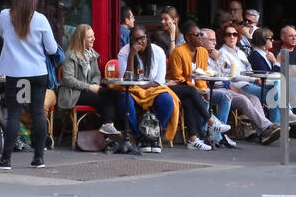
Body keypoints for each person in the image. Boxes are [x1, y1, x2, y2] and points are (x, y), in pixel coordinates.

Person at [0, 0, 59, 170]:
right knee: (38, 112)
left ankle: (6, 159)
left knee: (14, 113)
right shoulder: (41, 19)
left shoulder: (5, 15)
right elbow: (52, 48)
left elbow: (2, 34)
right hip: (37, 73)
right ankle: (39, 158)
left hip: (16, 74)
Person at [164, 20, 231, 150]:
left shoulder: (203, 52)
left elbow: (203, 75)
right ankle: (211, 123)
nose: (201, 37)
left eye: (201, 34)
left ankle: (193, 139)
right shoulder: (178, 52)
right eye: (196, 35)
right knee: (190, 92)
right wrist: (198, 90)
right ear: (187, 37)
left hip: (194, 91)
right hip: (174, 87)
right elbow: (178, 78)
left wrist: (203, 90)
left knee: (191, 99)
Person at [214, 24, 281, 144]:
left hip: (246, 84)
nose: (232, 37)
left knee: (255, 99)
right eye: (228, 35)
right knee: (273, 93)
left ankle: (263, 133)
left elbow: (249, 69)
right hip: (236, 86)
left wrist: (254, 77)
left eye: (235, 34)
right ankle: (269, 126)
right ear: (223, 37)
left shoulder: (240, 52)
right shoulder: (222, 53)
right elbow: (232, 76)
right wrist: (253, 79)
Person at [116, 28, 180, 152]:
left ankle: (154, 136)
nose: (140, 42)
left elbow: (159, 81)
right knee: (124, 99)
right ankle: (140, 136)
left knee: (167, 100)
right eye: (136, 39)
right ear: (131, 40)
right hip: (132, 89)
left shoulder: (158, 52)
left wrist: (140, 87)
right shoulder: (124, 52)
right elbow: (126, 80)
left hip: (153, 88)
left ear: (147, 38)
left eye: (142, 38)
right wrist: (131, 56)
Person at [58, 23, 122, 137]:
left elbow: (97, 74)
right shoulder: (70, 55)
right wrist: (90, 87)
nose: (94, 39)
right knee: (103, 100)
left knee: (114, 94)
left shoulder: (91, 54)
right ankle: (107, 126)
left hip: (88, 89)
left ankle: (109, 126)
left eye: (93, 36)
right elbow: (68, 79)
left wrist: (94, 84)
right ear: (81, 39)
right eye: (90, 37)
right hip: (73, 93)